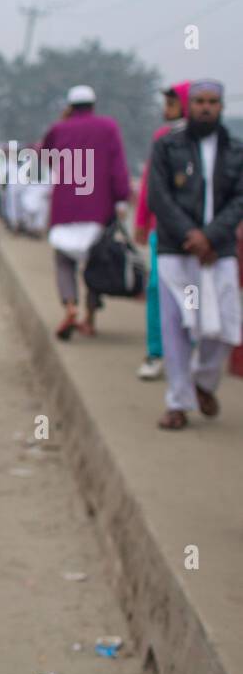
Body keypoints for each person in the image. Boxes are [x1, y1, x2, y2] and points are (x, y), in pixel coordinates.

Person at [146, 80, 243, 430]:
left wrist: (211, 236)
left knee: (223, 327)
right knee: (175, 328)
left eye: (212, 102)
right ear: (190, 106)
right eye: (199, 101)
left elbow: (239, 200)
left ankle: (203, 381)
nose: (205, 107)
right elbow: (158, 195)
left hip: (219, 253)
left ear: (221, 106)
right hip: (178, 251)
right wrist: (191, 234)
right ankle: (178, 402)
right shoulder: (168, 146)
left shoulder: (235, 150)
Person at [43, 85, 131, 340]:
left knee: (64, 261)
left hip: (65, 207)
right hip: (97, 208)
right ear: (93, 105)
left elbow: (46, 155)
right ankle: (90, 318)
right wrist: (122, 198)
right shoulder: (107, 127)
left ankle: (70, 305)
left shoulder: (59, 129)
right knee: (95, 263)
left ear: (70, 106)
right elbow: (118, 165)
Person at [133, 83, 190, 381]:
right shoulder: (162, 139)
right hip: (164, 230)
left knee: (192, 294)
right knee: (157, 287)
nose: (165, 110)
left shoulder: (207, 142)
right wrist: (143, 219)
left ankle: (189, 350)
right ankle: (156, 351)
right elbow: (149, 185)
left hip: (197, 233)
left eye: (171, 103)